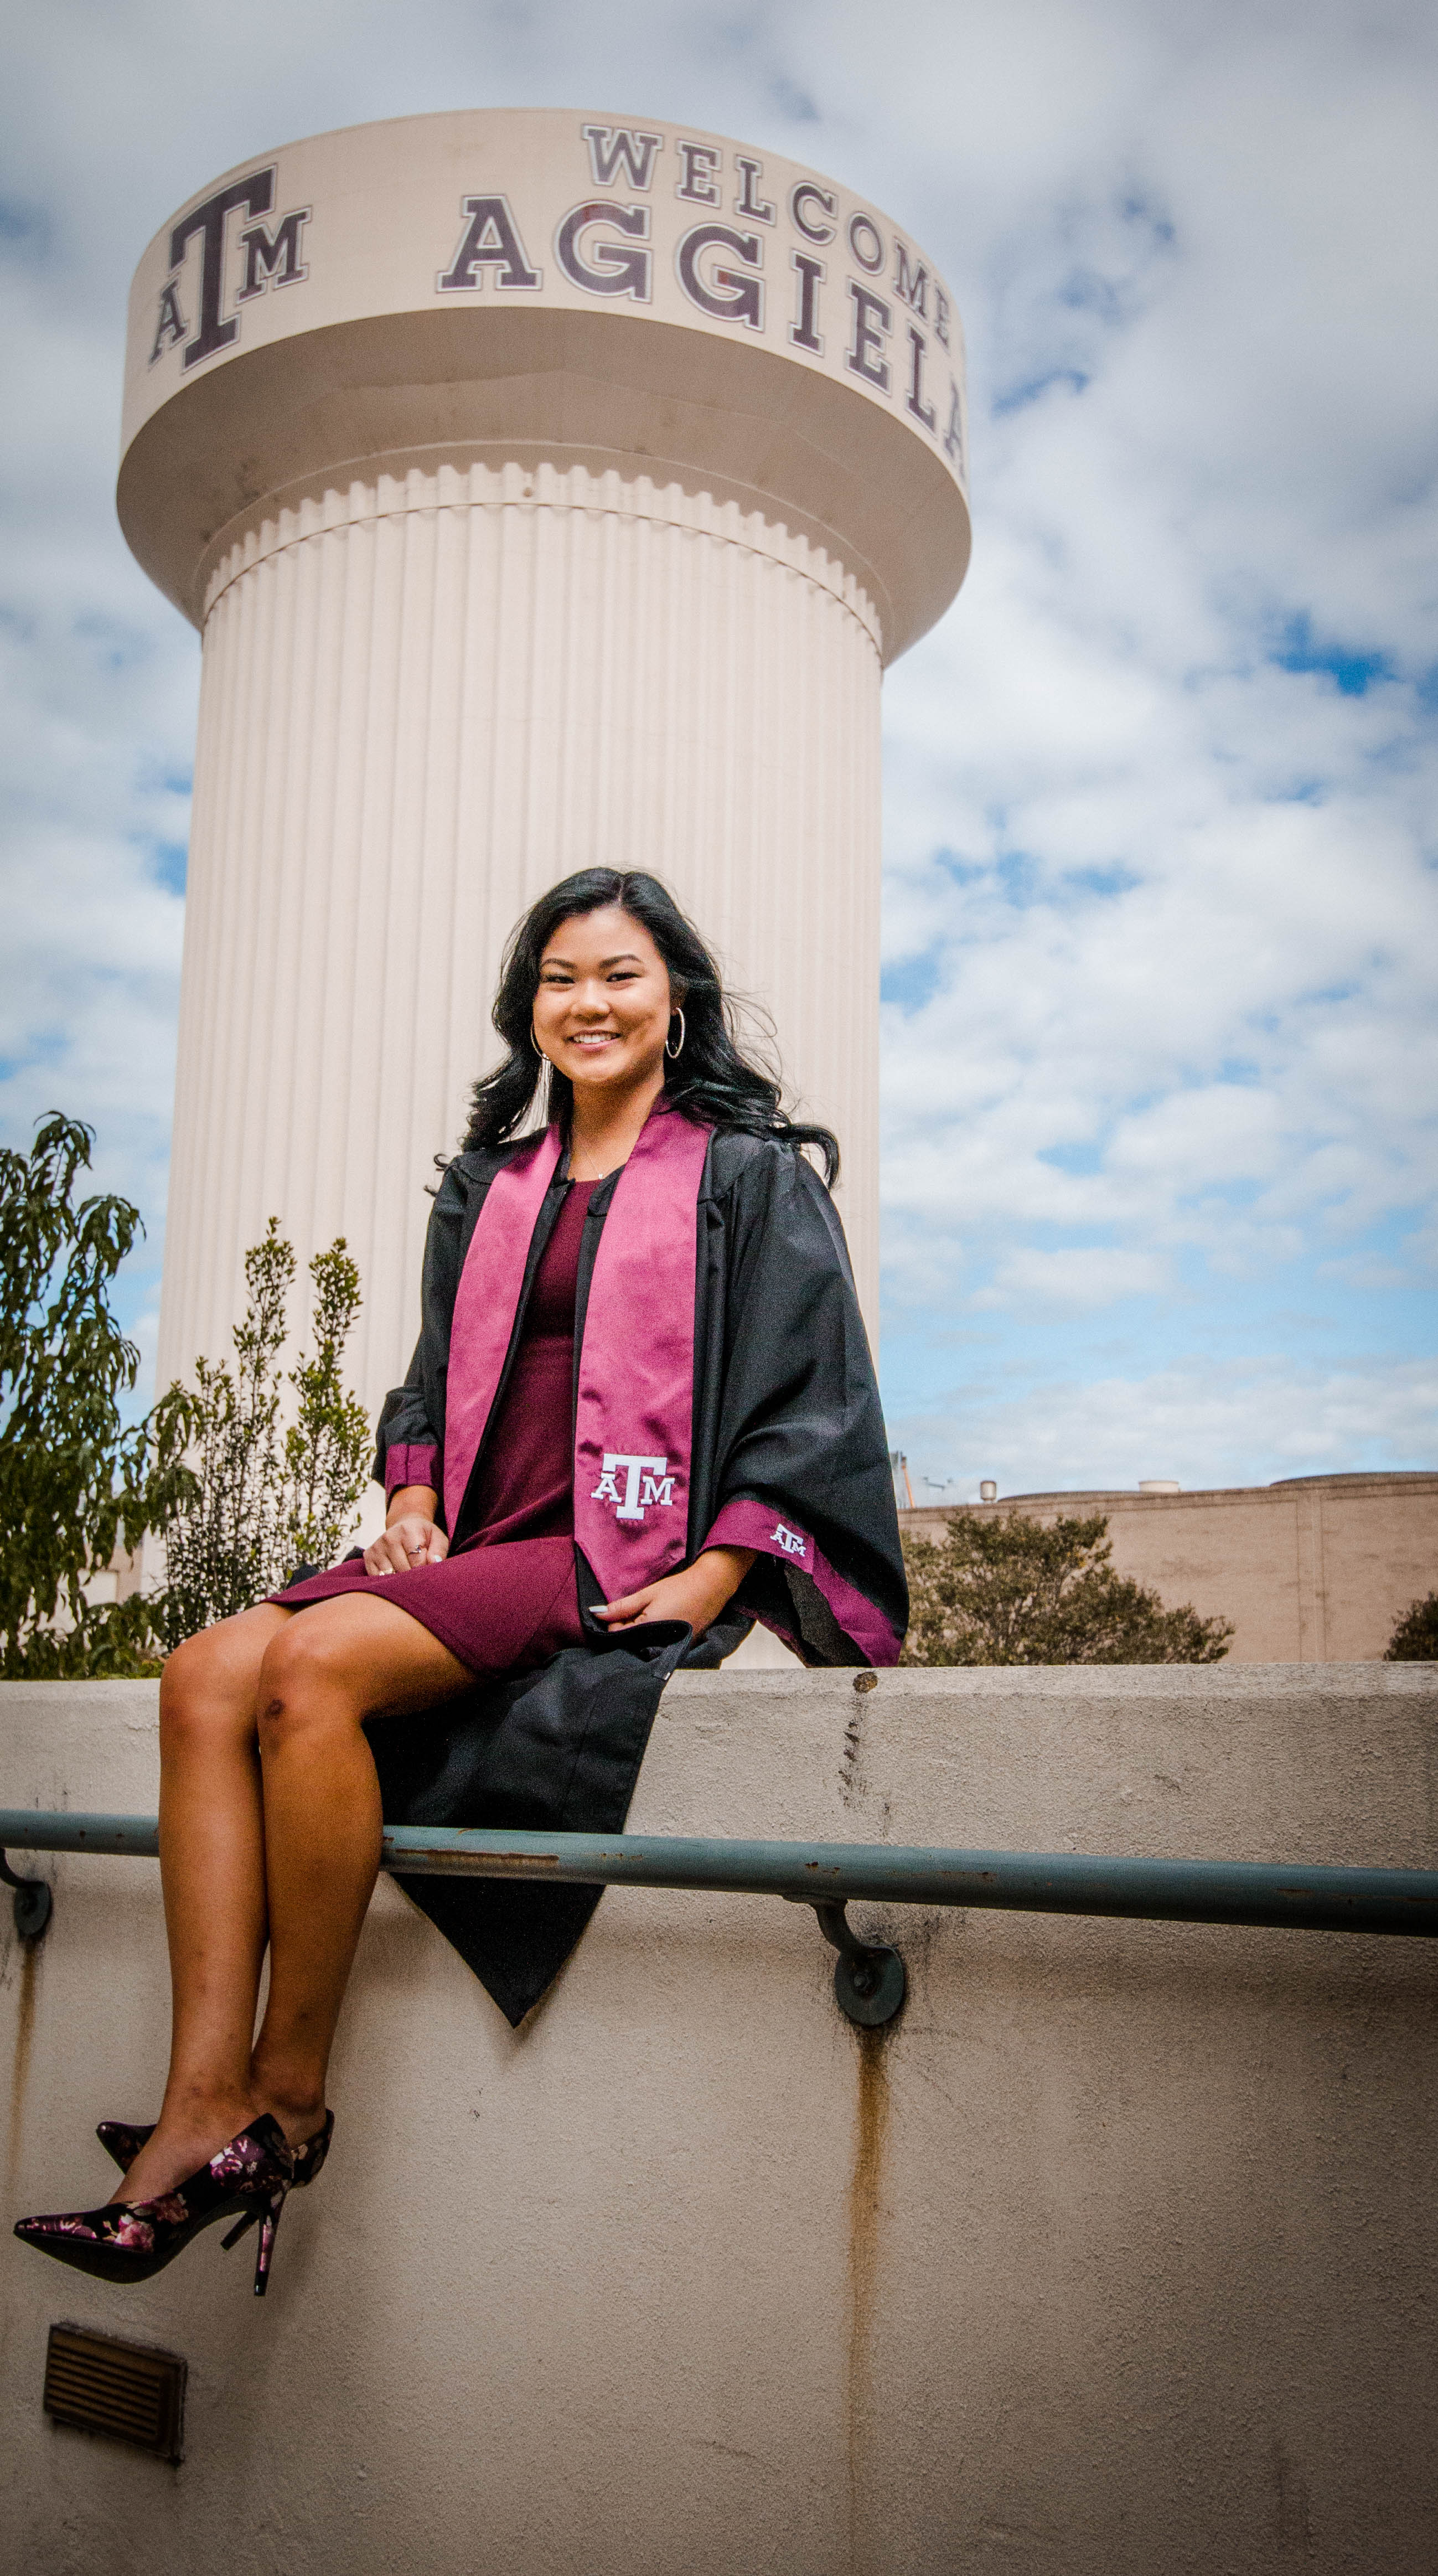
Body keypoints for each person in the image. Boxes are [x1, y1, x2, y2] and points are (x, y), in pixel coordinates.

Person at [16, 870, 906, 2294]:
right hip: (481, 1532)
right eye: (560, 977)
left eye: (620, 973)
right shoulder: (489, 1184)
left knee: (310, 1676)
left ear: (674, 997)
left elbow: (815, 1398)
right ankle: (199, 2099)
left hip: (612, 1541)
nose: (590, 1001)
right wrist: (413, 1489)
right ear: (528, 1007)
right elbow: (428, 1375)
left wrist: (719, 1569)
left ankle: (289, 2097)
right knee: (200, 1677)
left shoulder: (745, 1175)